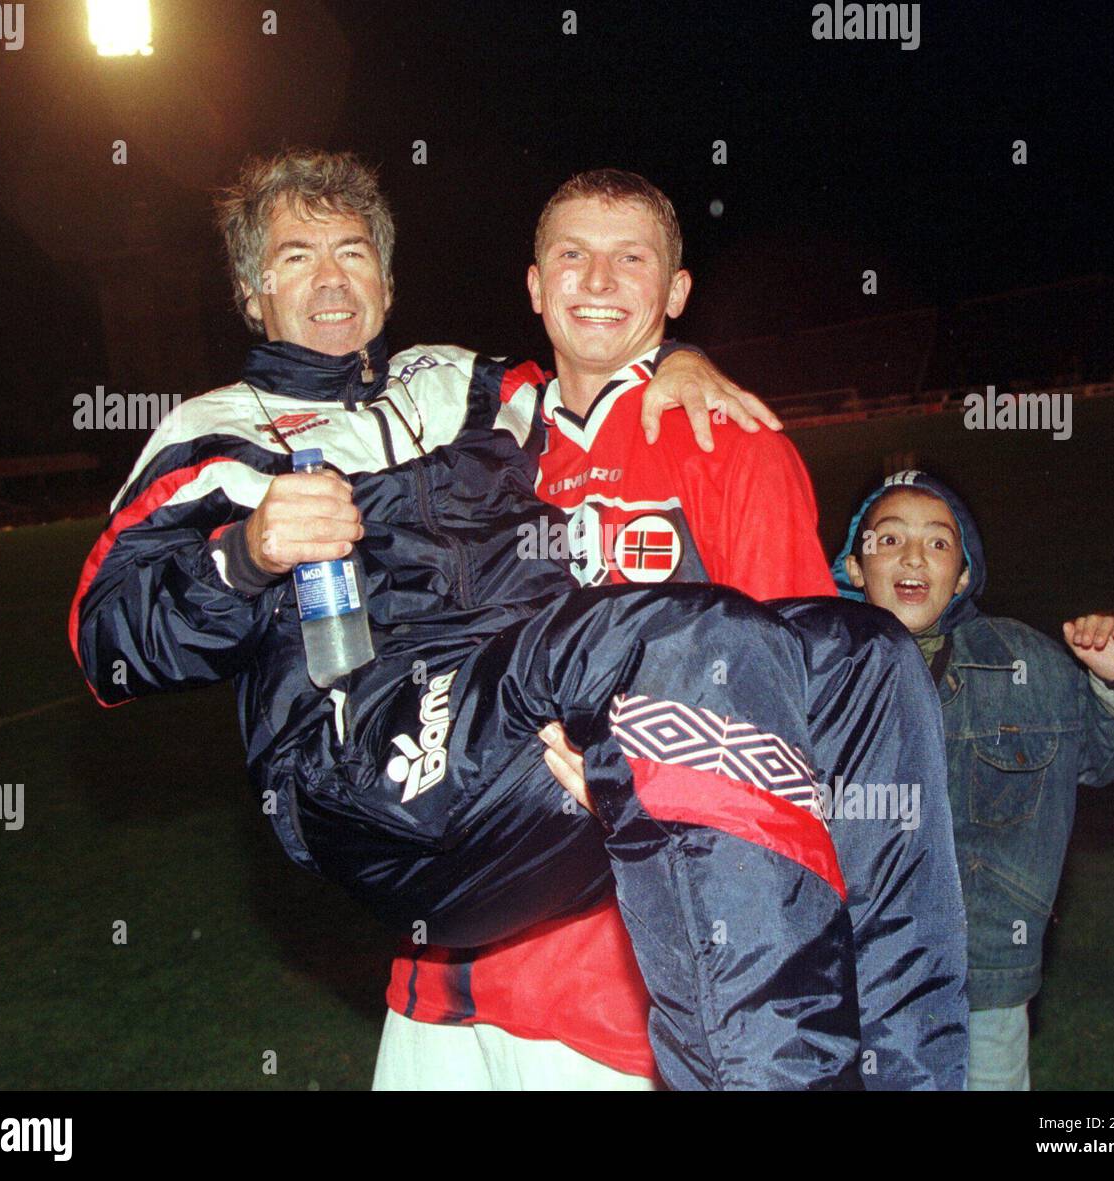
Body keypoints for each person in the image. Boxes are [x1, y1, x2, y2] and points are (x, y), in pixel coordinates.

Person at [70, 148, 872, 1090]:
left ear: (388, 276)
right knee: (645, 648)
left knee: (766, 672)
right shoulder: (207, 436)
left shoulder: (464, 388)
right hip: (355, 782)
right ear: (251, 291)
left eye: (354, 251)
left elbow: (598, 355)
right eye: (296, 257)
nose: (332, 278)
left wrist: (681, 357)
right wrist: (243, 554)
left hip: (531, 904)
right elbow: (109, 644)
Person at [375, 171, 968, 1091]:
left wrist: (643, 764)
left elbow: (799, 729)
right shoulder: (466, 436)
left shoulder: (734, 446)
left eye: (631, 259)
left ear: (675, 292)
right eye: (573, 255)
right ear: (535, 286)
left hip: (625, 988)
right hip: (447, 963)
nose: (600, 280)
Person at [834, 469, 1114, 1089]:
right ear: (855, 566)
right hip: (851, 980)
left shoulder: (1026, 665)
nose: (913, 555)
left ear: (964, 574)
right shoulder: (815, 664)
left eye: (939, 543)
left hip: (983, 984)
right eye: (887, 540)